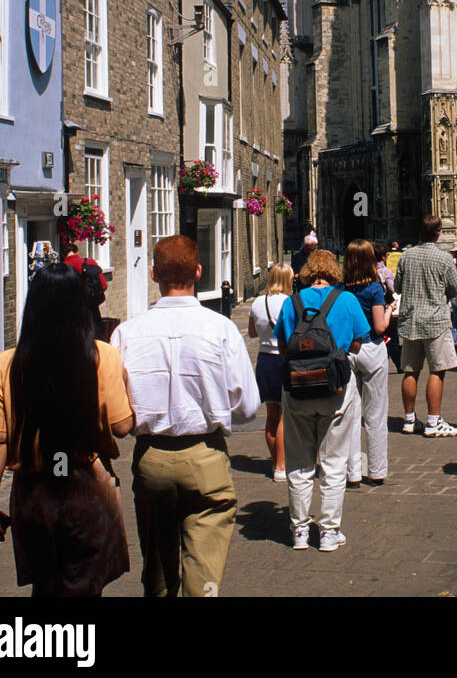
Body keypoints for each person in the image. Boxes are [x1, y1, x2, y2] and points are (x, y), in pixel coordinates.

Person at [112, 235, 259, 597]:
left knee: (158, 571)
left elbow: (116, 411)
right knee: (204, 575)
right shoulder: (222, 329)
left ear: (152, 273)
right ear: (198, 271)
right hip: (205, 455)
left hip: (151, 457)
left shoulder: (127, 333)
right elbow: (247, 407)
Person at [0, 263, 134, 596]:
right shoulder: (103, 356)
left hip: (34, 492)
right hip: (84, 486)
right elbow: (122, 427)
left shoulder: (7, 363)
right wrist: (126, 387)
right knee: (84, 589)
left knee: (46, 587)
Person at [275, 249, 370, 551]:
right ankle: (329, 532)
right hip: (336, 391)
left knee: (300, 463)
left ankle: (299, 531)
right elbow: (359, 340)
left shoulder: (293, 302)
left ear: (307, 273)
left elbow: (281, 347)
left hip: (298, 390)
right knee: (333, 462)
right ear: (334, 272)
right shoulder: (348, 301)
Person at [394, 216, 457, 437]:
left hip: (411, 319)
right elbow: (455, 289)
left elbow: (397, 285)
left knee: (410, 371)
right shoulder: (444, 259)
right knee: (437, 370)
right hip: (435, 320)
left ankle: (409, 419)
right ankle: (433, 421)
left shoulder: (406, 256)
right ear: (438, 233)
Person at [343, 240, 393, 487]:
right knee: (375, 413)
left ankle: (353, 472)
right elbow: (380, 326)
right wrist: (389, 309)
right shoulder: (373, 288)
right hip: (372, 349)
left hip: (349, 351)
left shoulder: (342, 288)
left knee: (351, 415)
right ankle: (375, 470)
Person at [248, 263, 294, 483]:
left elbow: (251, 332)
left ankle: (275, 461)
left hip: (264, 360)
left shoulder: (257, 302)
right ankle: (282, 466)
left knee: (271, 414)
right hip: (283, 359)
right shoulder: (290, 302)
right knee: (285, 416)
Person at [62, 243, 109, 339]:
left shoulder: (63, 267)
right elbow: (104, 285)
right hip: (91, 304)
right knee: (96, 333)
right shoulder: (89, 261)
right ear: (77, 251)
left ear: (63, 254)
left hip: (73, 307)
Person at [375, 240, 402, 371]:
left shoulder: (369, 270)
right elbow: (392, 287)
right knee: (392, 336)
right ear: (384, 256)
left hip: (374, 307)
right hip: (386, 307)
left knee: (378, 336)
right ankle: (399, 364)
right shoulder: (386, 271)